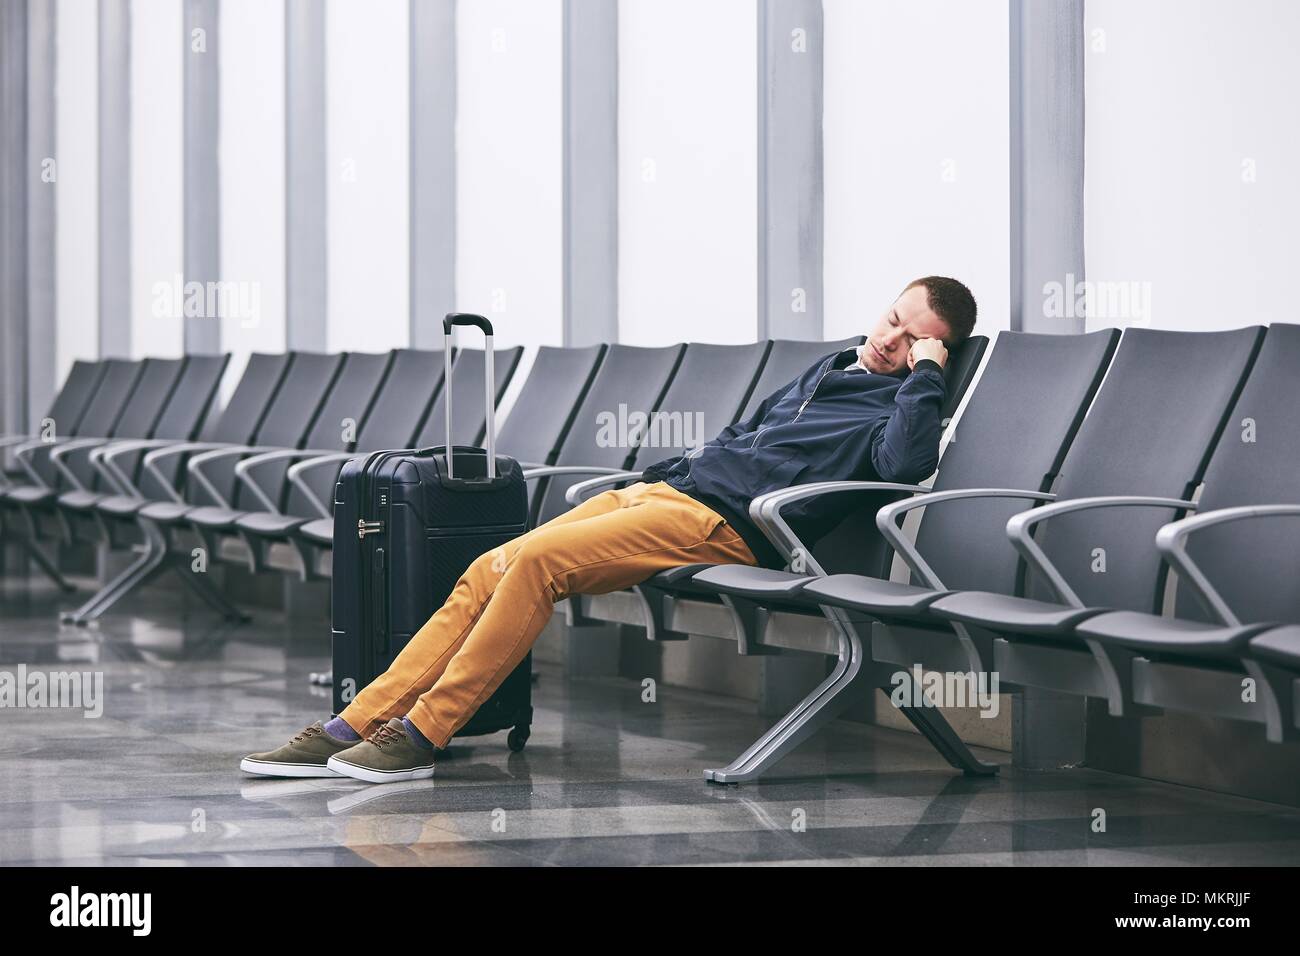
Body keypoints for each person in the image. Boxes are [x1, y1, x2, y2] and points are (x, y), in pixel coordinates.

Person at [240, 275, 977, 783]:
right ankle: (354, 721)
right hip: (667, 492)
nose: (891, 339)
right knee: (491, 565)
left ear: (931, 352)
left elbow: (904, 467)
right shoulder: (831, 367)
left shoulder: (905, 406)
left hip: (720, 525)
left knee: (535, 569)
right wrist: (661, 474)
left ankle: (425, 732)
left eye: (915, 339)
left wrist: (926, 377)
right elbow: (748, 430)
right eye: (893, 319)